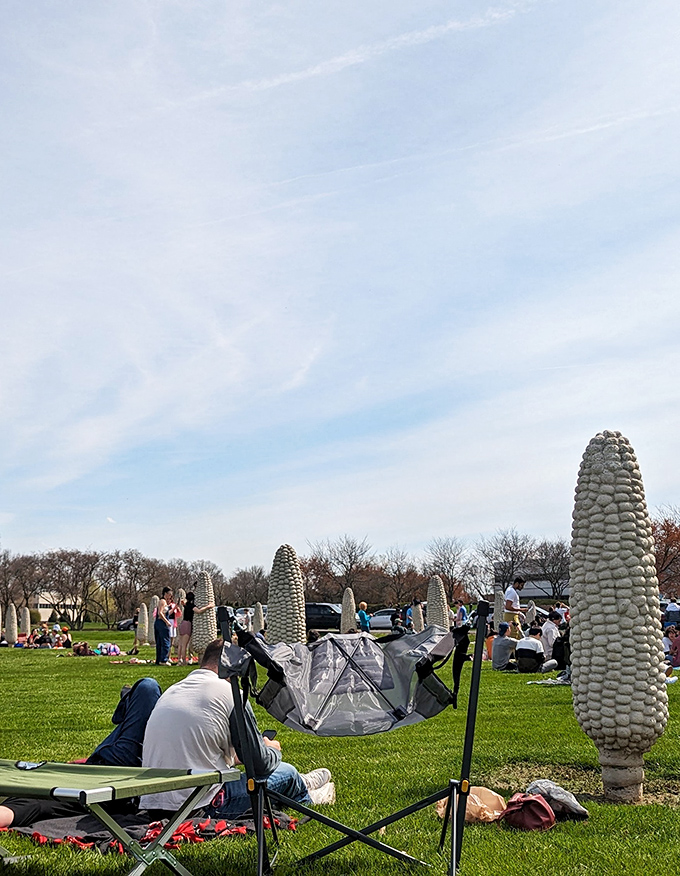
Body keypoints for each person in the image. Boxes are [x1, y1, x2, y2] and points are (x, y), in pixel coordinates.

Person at [140, 639, 334, 819]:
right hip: (201, 804)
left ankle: (302, 783)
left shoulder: (173, 691)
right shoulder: (230, 693)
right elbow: (261, 764)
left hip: (156, 806)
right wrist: (272, 750)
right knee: (286, 772)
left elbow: (195, 750)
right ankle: (306, 794)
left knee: (276, 774)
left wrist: (236, 757)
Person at [0, 678, 162, 829]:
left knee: (147, 694)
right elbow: (9, 814)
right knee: (147, 688)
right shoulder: (33, 802)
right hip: (118, 775)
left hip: (96, 766)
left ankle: (128, 705)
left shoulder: (25, 787)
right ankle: (128, 703)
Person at [177, 591, 215, 665]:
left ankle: (179, 660)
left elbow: (183, 603)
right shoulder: (191, 606)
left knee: (181, 644)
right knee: (184, 645)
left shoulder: (186, 605)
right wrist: (209, 606)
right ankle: (183, 661)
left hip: (182, 623)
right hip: (187, 624)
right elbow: (199, 611)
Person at [155, 587, 174, 665]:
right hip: (161, 623)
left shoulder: (164, 602)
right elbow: (160, 613)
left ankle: (159, 659)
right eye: (169, 594)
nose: (170, 596)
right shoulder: (162, 601)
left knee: (159, 642)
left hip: (159, 623)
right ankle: (163, 660)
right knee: (166, 642)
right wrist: (167, 622)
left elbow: (166, 613)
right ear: (165, 594)